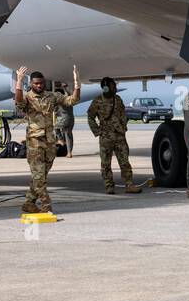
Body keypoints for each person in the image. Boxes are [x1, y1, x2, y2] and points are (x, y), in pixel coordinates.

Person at [15, 66, 80, 214]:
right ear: (31, 83)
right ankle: (46, 205)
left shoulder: (51, 96)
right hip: (35, 142)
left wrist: (77, 83)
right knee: (39, 175)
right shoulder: (27, 97)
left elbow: (72, 100)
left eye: (41, 83)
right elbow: (18, 101)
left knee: (41, 175)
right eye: (36, 83)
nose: (39, 85)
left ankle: (29, 203)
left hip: (50, 141)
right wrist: (19, 81)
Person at [87, 77, 142, 195]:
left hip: (119, 136)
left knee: (125, 161)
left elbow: (123, 114)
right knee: (106, 163)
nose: (115, 88)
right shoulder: (97, 101)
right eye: (113, 86)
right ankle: (109, 186)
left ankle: (129, 184)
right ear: (106, 88)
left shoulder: (117, 99)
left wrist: (123, 127)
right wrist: (97, 131)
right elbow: (90, 116)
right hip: (106, 136)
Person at [53, 83, 75, 158]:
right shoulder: (68, 99)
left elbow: (54, 111)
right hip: (71, 120)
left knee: (55, 128)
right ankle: (69, 152)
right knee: (68, 135)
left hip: (63, 120)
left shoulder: (59, 101)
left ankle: (60, 140)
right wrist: (65, 88)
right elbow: (69, 94)